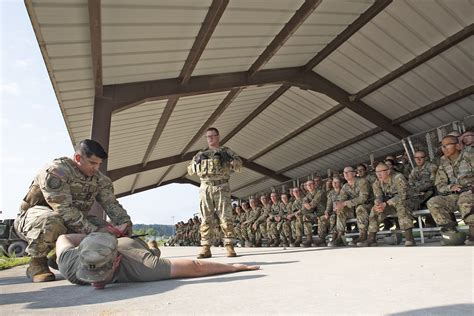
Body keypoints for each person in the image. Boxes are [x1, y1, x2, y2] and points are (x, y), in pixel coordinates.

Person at [14, 139, 133, 283]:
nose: (96, 168)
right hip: (34, 219)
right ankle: (37, 263)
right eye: (92, 163)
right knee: (53, 220)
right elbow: (63, 210)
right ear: (77, 158)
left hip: (72, 218)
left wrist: (124, 224)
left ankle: (61, 256)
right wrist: (95, 232)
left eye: (99, 164)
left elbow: (111, 205)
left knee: (106, 228)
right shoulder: (55, 172)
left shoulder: (100, 179)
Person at [56, 230, 259, 289]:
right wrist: (92, 238)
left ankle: (153, 246)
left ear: (116, 261)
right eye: (90, 272)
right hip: (110, 241)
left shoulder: (144, 265)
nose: (94, 281)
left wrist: (233, 267)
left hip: (135, 247)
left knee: (154, 254)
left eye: (100, 273)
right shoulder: (69, 265)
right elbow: (62, 238)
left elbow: (195, 267)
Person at [187, 127, 242, 259]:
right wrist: (196, 163)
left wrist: (231, 162)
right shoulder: (201, 153)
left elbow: (239, 166)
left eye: (213, 136)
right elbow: (189, 170)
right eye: (208, 136)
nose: (210, 138)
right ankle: (205, 247)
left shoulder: (226, 151)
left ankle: (229, 245)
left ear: (218, 136)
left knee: (226, 217)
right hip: (205, 187)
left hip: (222, 186)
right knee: (205, 218)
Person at [427, 135, 473, 245]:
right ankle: (451, 234)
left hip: (471, 192)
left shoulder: (470, 157)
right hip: (455, 195)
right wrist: (450, 187)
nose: (444, 148)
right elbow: (439, 184)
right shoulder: (443, 163)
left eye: (447, 145)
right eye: (442, 146)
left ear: (457, 146)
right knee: (433, 202)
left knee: (465, 199)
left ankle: (473, 234)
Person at [367, 163, 416, 247]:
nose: (378, 174)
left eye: (381, 171)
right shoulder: (377, 182)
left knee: (401, 205)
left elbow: (402, 196)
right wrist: (378, 203)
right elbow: (378, 196)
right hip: (390, 204)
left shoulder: (398, 177)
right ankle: (371, 239)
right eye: (376, 172)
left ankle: (409, 238)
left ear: (388, 171)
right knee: (374, 209)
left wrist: (385, 204)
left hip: (409, 202)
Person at [332, 167, 371, 247]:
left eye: (348, 172)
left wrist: (345, 203)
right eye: (344, 172)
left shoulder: (362, 182)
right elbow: (341, 199)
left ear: (354, 173)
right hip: (353, 208)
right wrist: (338, 205)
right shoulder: (345, 186)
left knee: (360, 208)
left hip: (368, 206)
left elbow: (363, 198)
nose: (345, 174)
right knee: (340, 209)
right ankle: (340, 236)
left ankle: (363, 235)